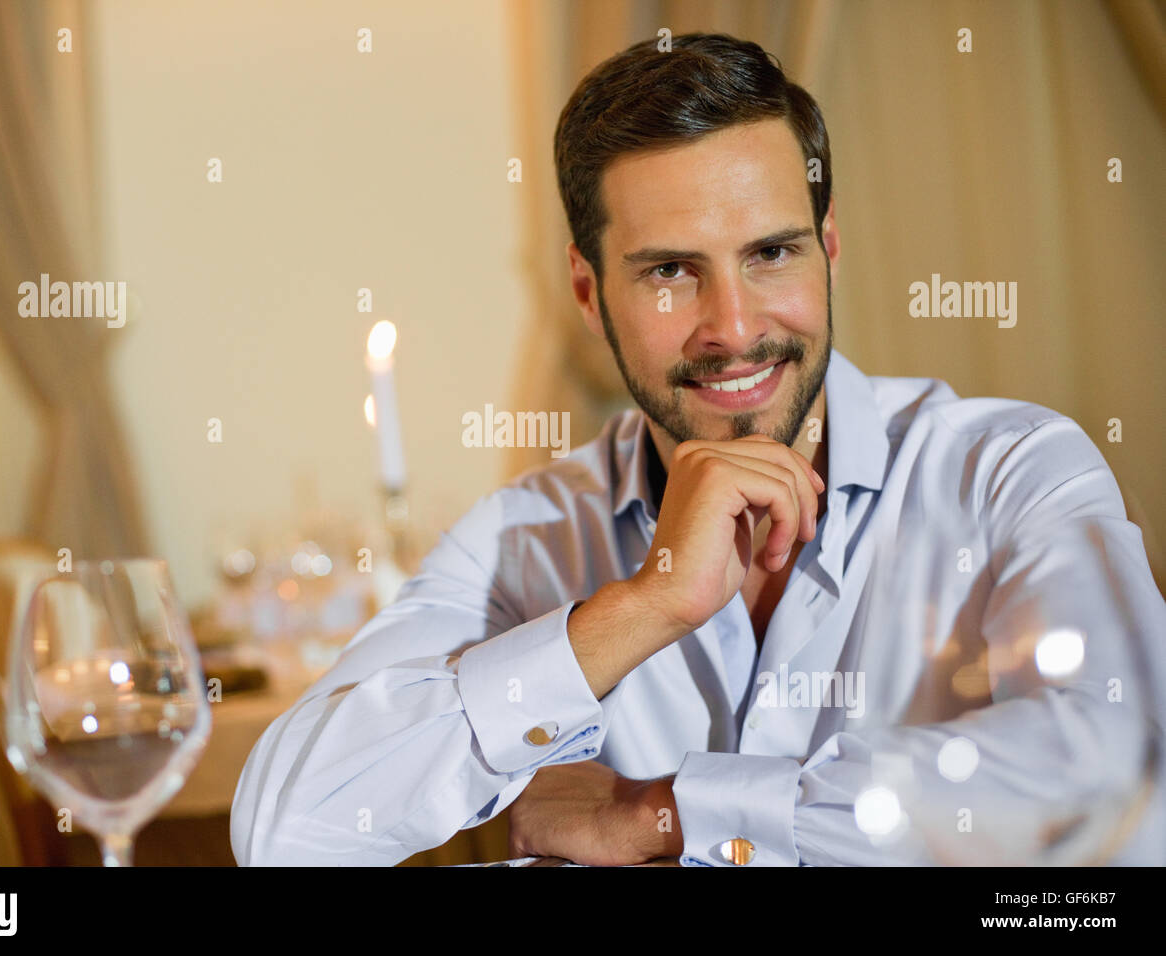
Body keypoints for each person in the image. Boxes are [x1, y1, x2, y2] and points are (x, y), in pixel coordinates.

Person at [231, 33, 1166, 866]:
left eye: (771, 254)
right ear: (589, 293)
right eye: (671, 271)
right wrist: (638, 609)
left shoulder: (1011, 473)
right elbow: (285, 833)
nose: (733, 327)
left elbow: (1129, 780)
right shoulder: (526, 538)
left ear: (829, 250)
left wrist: (666, 812)